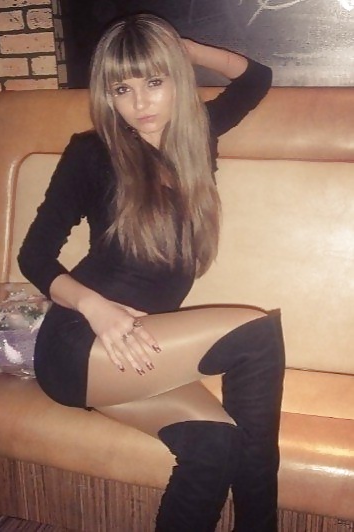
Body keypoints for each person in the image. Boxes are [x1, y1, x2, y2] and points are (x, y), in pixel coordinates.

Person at [18, 13, 285, 532]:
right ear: (109, 95)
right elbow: (34, 255)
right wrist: (97, 309)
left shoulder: (198, 136)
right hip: (80, 344)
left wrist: (182, 48)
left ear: (176, 79)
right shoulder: (92, 153)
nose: (140, 103)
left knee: (215, 444)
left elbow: (257, 78)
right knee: (256, 336)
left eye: (155, 82)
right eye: (123, 88)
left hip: (137, 350)